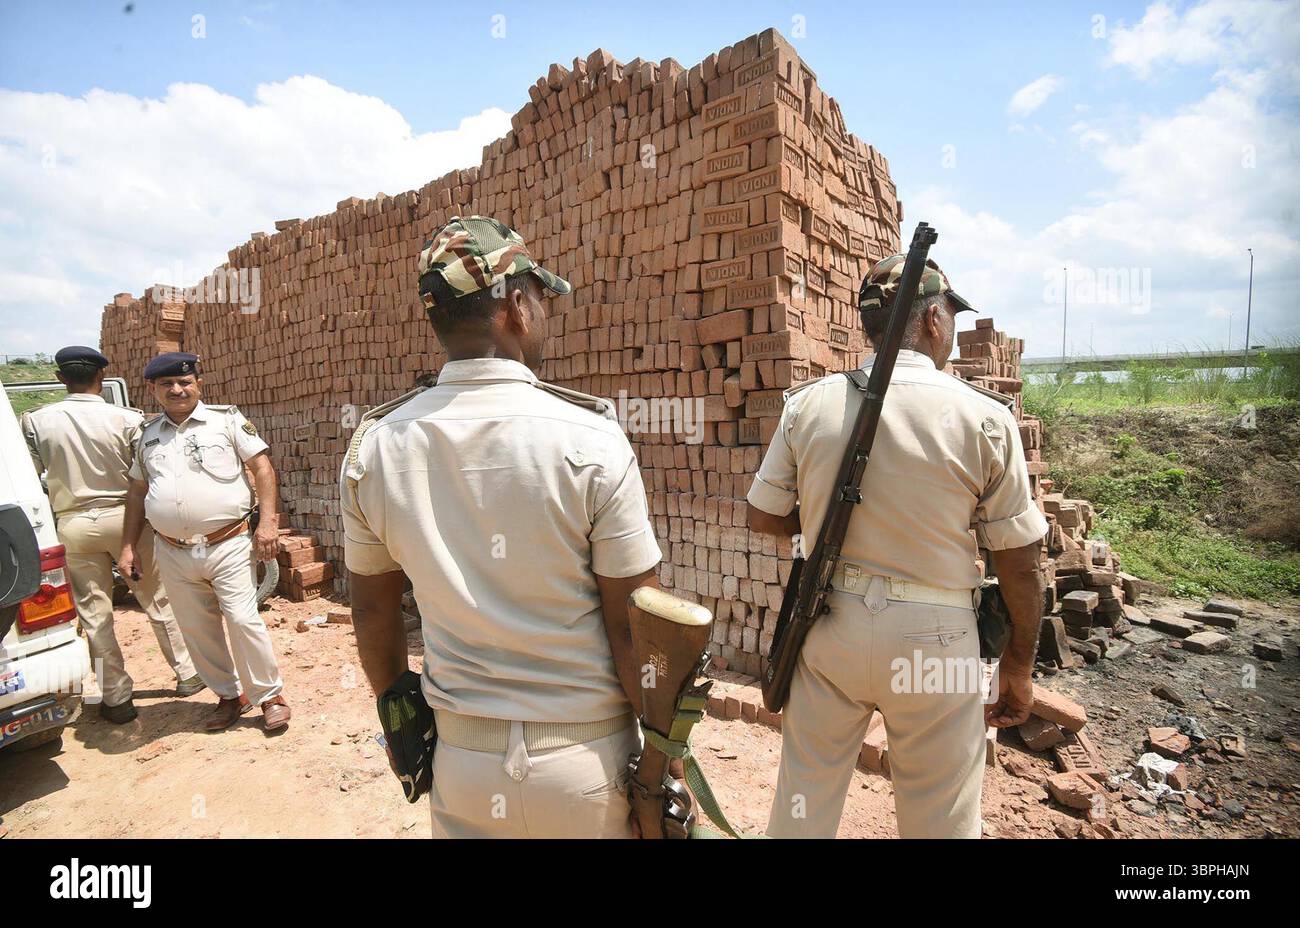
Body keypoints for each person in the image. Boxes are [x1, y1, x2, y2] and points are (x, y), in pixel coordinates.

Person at [342, 216, 663, 838]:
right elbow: (634, 627)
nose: (543, 312)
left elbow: (374, 617)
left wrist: (402, 719)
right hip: (585, 764)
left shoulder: (375, 449)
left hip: (461, 763)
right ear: (517, 306)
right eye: (540, 298)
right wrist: (665, 755)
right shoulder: (590, 438)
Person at [748, 256, 1048, 839]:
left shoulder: (808, 405)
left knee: (798, 817)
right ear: (934, 319)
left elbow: (764, 516)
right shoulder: (983, 417)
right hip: (936, 639)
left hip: (830, 624)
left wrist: (818, 516)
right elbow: (1020, 560)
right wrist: (1018, 662)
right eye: (952, 320)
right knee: (942, 821)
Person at [22, 346, 203, 724]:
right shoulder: (126, 419)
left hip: (73, 524)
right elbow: (146, 474)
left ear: (60, 379)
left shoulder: (37, 421)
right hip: (127, 520)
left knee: (94, 617)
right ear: (102, 379)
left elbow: (32, 479)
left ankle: (115, 697)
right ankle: (187, 674)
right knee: (157, 600)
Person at [118, 352, 290, 732]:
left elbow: (262, 467)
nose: (178, 389)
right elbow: (137, 492)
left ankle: (269, 696)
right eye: (167, 385)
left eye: (185, 382)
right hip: (173, 549)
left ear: (199, 383)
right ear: (153, 389)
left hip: (227, 542)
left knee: (244, 620)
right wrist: (129, 545)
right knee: (197, 627)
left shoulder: (226, 421)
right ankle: (229, 696)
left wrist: (268, 523)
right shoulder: (147, 436)